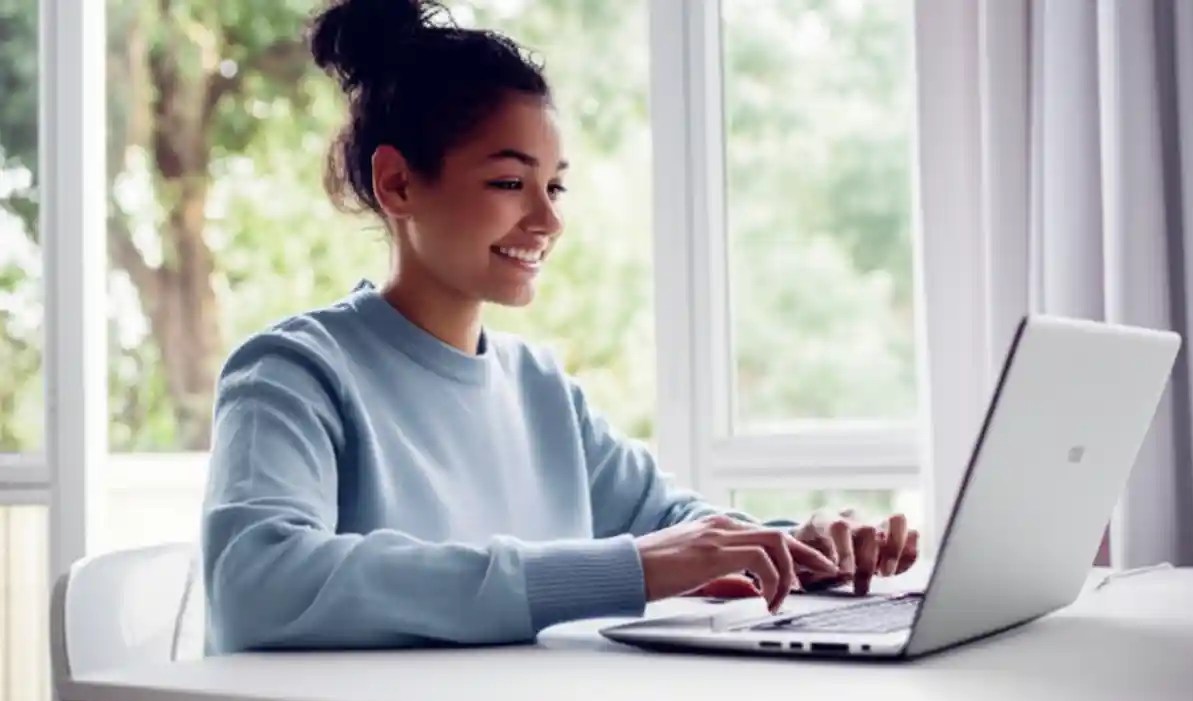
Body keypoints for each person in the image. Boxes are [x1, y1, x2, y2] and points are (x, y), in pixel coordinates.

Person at [202, 0, 920, 655]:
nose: (548, 220)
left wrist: (811, 546)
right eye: (510, 183)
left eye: (556, 185)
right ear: (398, 184)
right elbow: (259, 584)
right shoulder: (292, 372)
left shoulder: (539, 389)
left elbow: (678, 527)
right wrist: (630, 569)